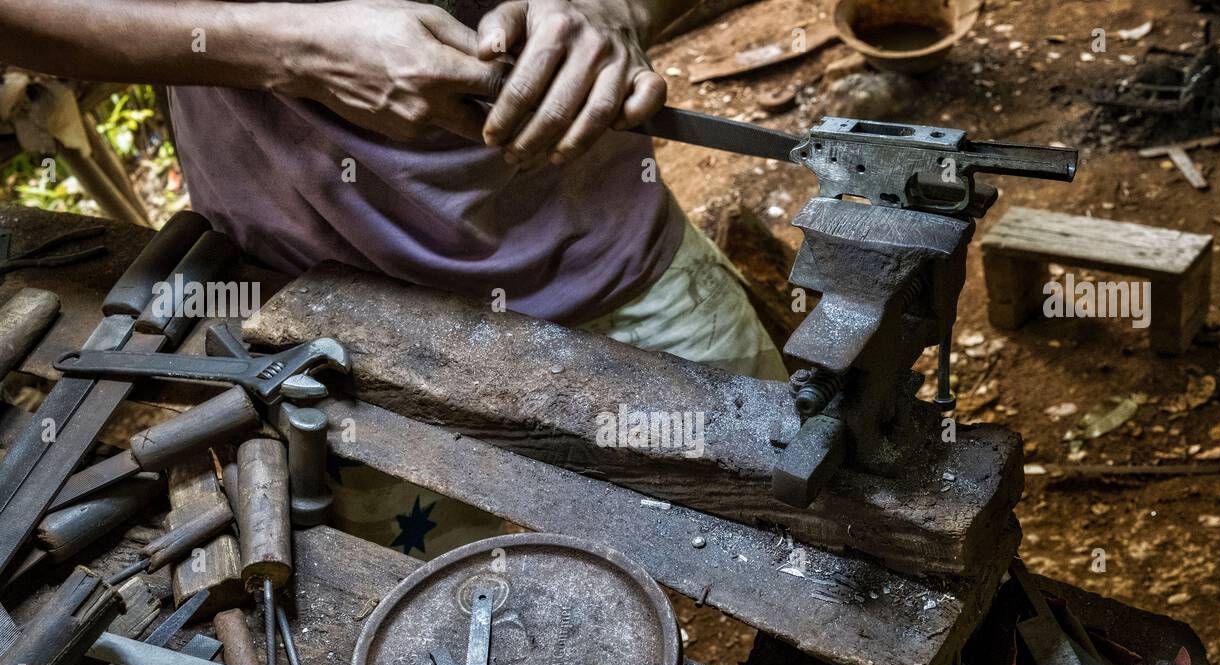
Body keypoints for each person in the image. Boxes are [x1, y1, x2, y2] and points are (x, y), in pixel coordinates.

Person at [0, 0, 787, 379]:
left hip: (608, 247)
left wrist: (615, 6)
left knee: (802, 518)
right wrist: (289, 50)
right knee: (395, 622)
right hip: (319, 295)